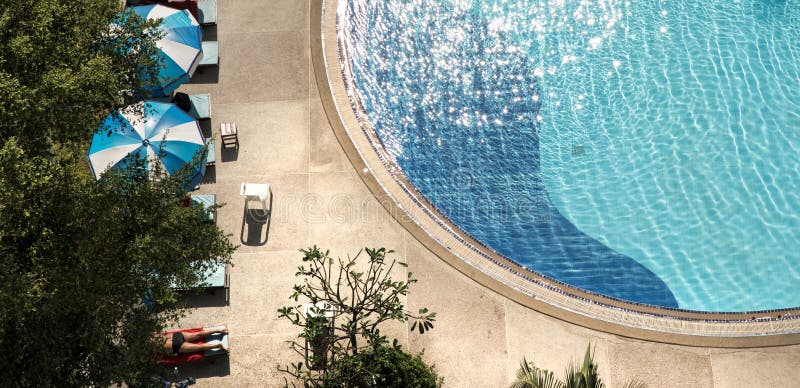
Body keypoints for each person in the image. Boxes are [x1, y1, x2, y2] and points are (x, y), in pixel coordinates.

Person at [160, 327, 229, 355]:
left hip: (175, 346)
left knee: (199, 347)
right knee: (198, 334)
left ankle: (218, 345)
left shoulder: (151, 349)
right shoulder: (152, 335)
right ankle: (218, 330)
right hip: (176, 335)